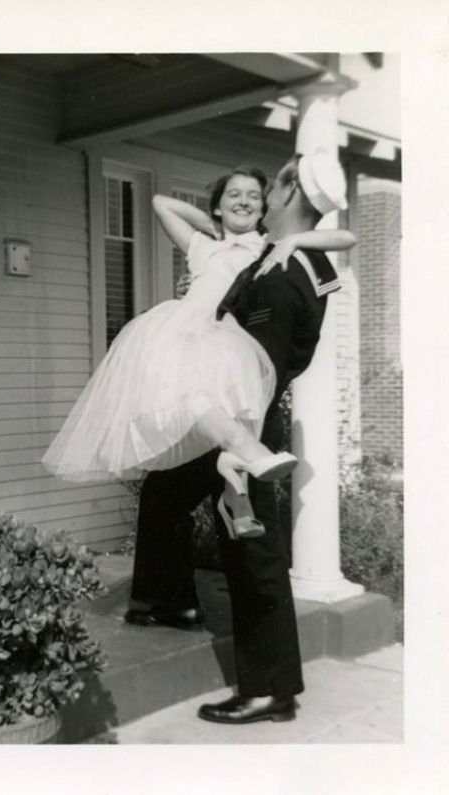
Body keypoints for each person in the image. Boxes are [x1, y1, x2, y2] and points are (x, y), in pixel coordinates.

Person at [131, 149, 350, 724]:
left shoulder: (280, 273)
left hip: (242, 426)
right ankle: (171, 602)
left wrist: (238, 448)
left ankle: (269, 690)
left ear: (288, 191)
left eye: (270, 187)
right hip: (230, 420)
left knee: (253, 556)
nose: (259, 197)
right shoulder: (294, 259)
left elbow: (257, 367)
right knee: (174, 494)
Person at [42, 164, 355, 539]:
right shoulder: (204, 247)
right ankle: (237, 471)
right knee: (194, 399)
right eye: (233, 195)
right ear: (218, 206)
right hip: (188, 336)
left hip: (227, 342)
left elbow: (345, 236)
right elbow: (161, 203)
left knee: (235, 404)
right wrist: (213, 224)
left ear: (264, 208)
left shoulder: (266, 247)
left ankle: (236, 492)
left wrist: (296, 241)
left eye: (254, 196)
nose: (244, 201)